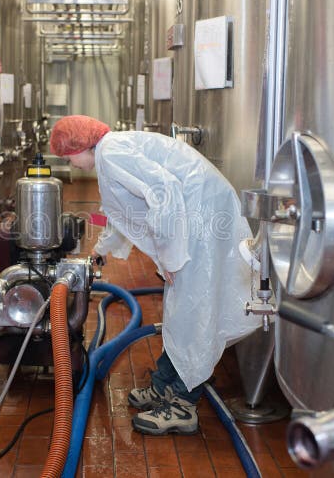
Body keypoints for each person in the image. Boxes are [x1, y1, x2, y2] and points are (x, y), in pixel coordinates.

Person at [50, 115, 261, 435]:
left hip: (199, 224)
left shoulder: (111, 153)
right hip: (192, 222)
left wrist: (172, 257)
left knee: (192, 313)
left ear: (81, 145)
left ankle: (183, 405)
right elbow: (123, 210)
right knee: (181, 312)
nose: (68, 161)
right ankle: (166, 383)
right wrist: (100, 251)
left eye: (67, 154)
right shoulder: (110, 153)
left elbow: (164, 192)